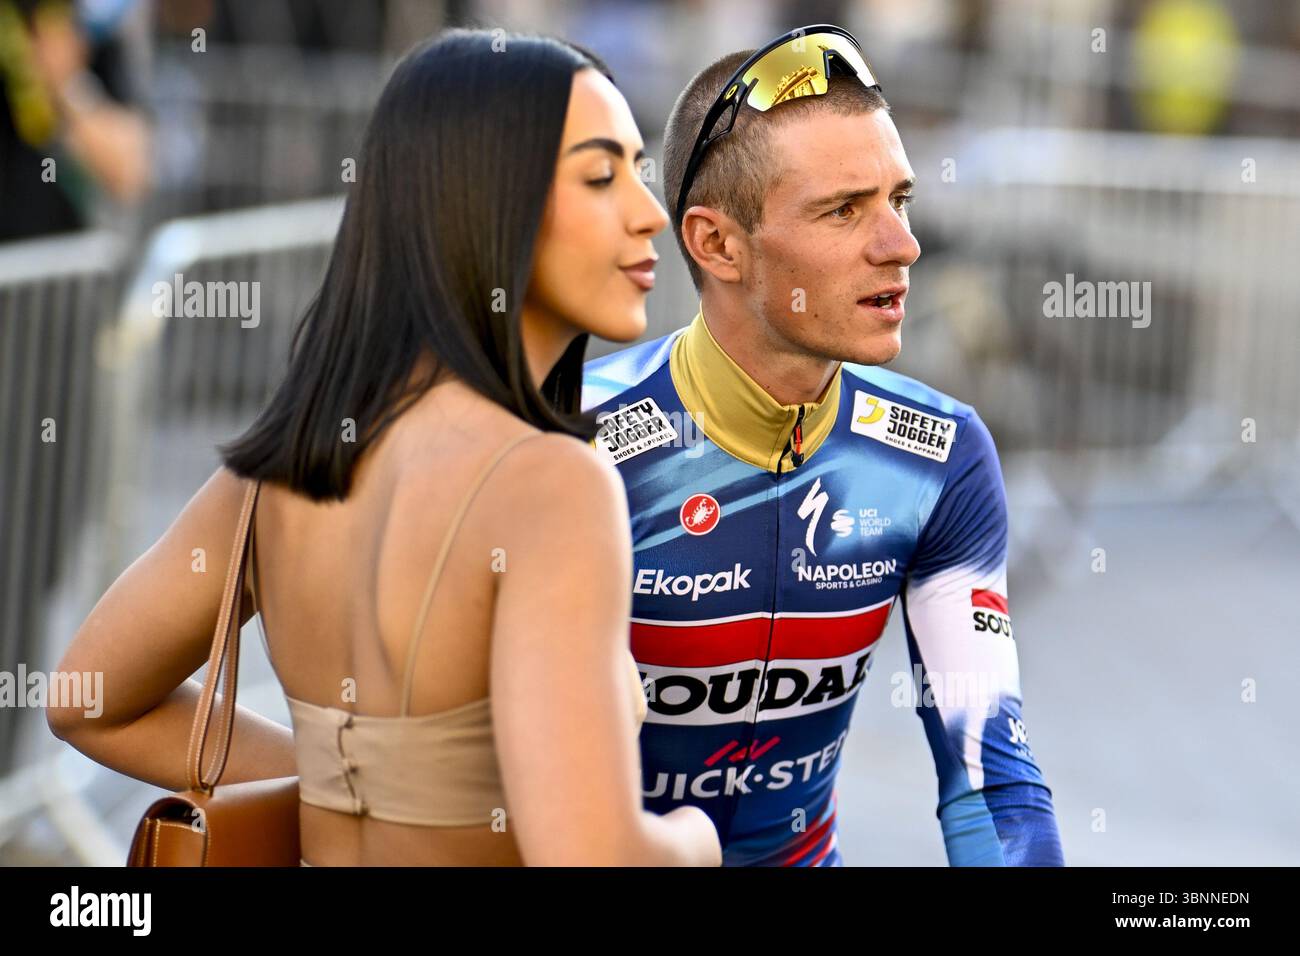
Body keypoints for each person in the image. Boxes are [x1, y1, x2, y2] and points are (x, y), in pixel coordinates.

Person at [46, 29, 721, 868]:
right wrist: (700, 838)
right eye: (599, 175)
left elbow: (88, 702)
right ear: (482, 200)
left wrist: (363, 787)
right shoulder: (552, 484)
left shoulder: (282, 468)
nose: (650, 210)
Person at [583, 24, 1065, 866]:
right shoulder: (574, 441)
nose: (902, 247)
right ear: (717, 244)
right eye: (845, 210)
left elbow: (993, 782)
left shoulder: (936, 455)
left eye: (899, 201)